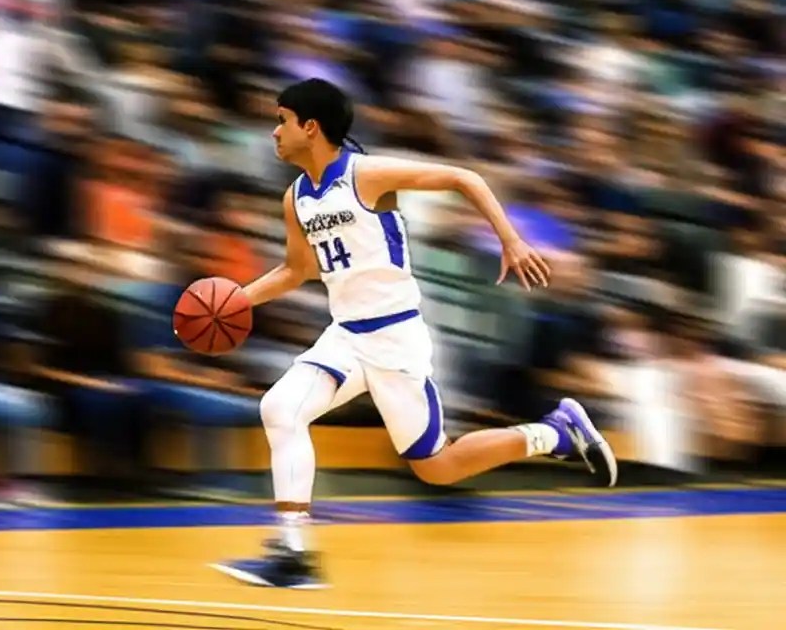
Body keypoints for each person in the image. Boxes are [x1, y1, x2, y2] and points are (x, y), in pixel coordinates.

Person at [211, 78, 617, 589]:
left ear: (310, 127)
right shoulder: (296, 198)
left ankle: (555, 431)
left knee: (437, 468)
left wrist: (511, 241)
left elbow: (464, 177)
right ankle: (294, 553)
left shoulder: (367, 174)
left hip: (395, 338)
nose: (274, 132)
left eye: (281, 120)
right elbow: (298, 271)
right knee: (279, 408)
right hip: (345, 336)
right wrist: (237, 299)